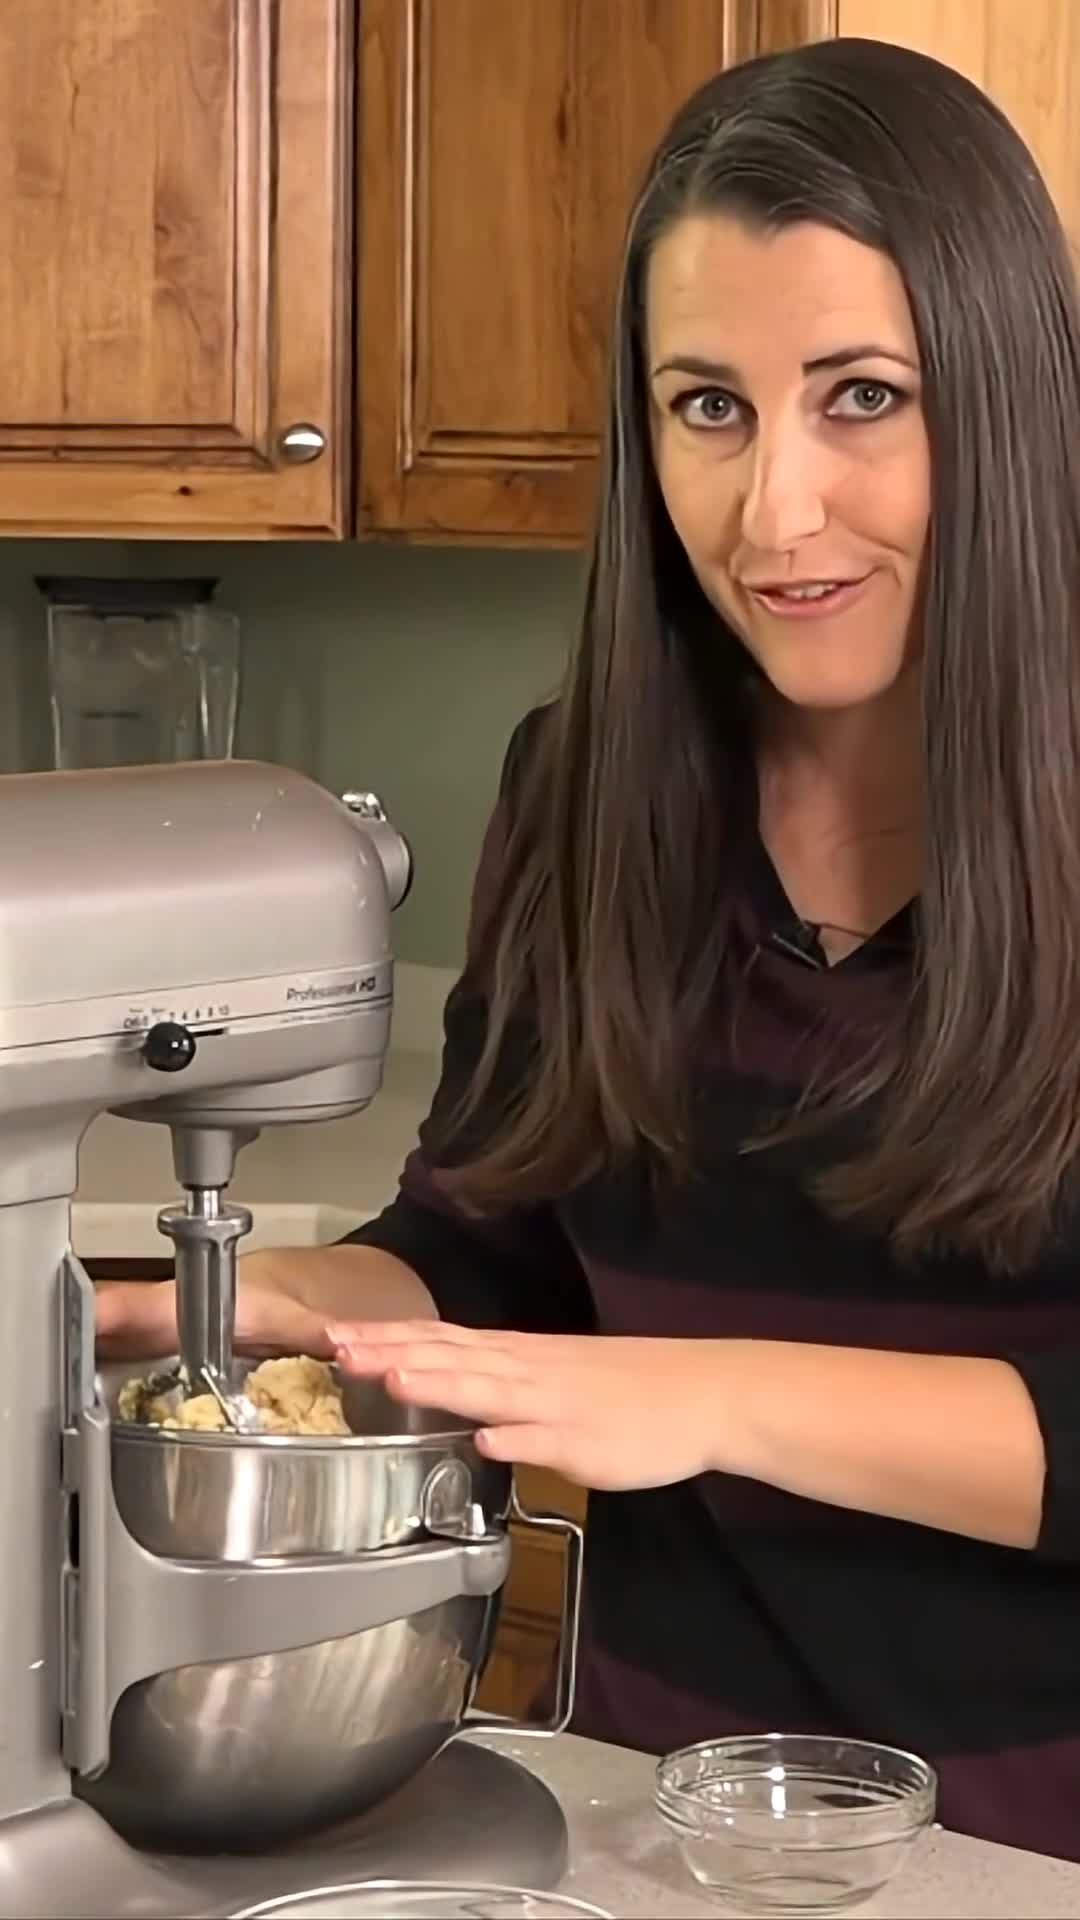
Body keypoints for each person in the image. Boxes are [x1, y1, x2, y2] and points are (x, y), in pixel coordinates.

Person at [97, 35, 1080, 1861]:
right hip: (656, 1819)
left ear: (1007, 403)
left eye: (862, 396)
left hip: (1025, 1854)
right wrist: (334, 1307)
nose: (777, 511)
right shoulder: (589, 791)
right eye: (710, 407)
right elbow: (499, 1251)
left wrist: (711, 1393)